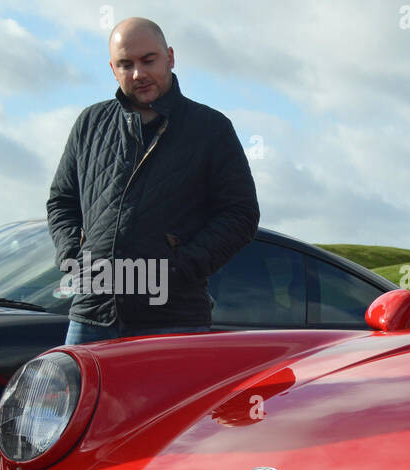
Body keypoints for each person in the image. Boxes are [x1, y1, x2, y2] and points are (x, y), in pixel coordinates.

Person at [47, 17, 259, 344]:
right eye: (125, 64)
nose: (138, 73)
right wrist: (74, 258)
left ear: (170, 57)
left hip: (173, 318)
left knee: (175, 399)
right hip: (92, 314)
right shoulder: (90, 123)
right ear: (112, 68)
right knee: (83, 398)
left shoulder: (211, 128)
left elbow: (241, 214)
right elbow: (62, 201)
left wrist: (179, 269)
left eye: (148, 60)